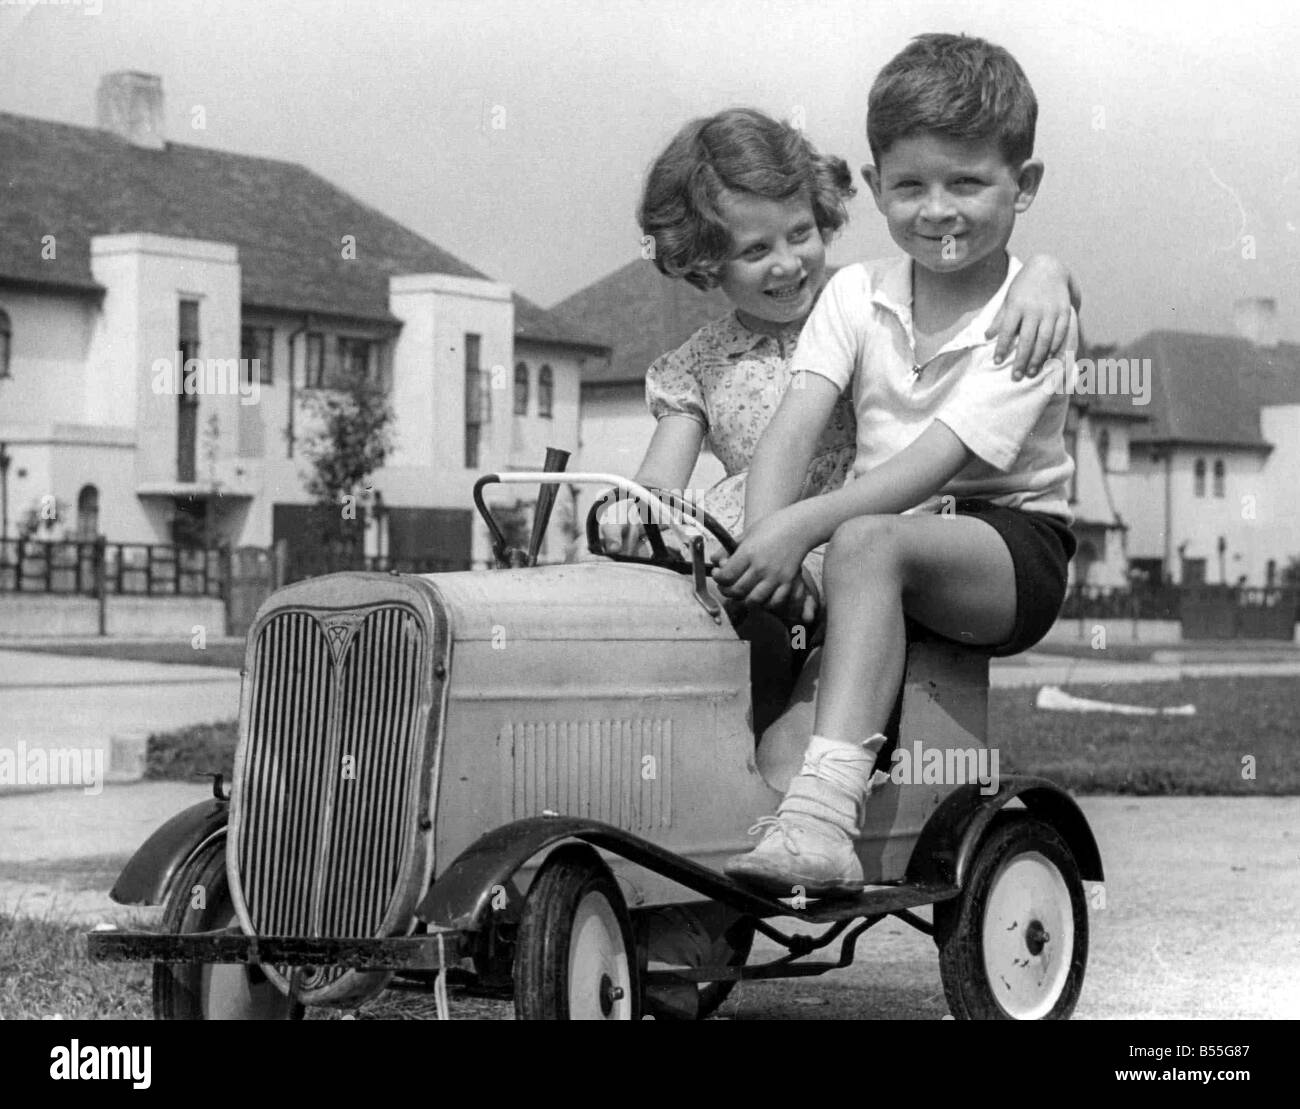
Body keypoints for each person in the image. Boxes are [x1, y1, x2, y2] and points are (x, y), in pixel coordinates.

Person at [716, 34, 1078, 897]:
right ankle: (727, 894)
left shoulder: (1029, 318)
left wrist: (805, 526)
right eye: (910, 185)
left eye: (968, 182)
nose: (938, 209)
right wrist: (772, 543)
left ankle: (824, 823)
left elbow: (934, 462)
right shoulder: (854, 293)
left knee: (868, 539)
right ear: (875, 188)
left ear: (1023, 188)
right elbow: (792, 428)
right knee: (774, 754)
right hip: (875, 546)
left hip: (1006, 548)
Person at [602, 107, 1078, 630]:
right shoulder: (694, 365)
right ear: (706, 261)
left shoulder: (867, 308)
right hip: (752, 535)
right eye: (756, 250)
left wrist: (1048, 271)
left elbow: (977, 287)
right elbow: (660, 478)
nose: (787, 263)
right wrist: (634, 508)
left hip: (860, 526)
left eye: (800, 233)